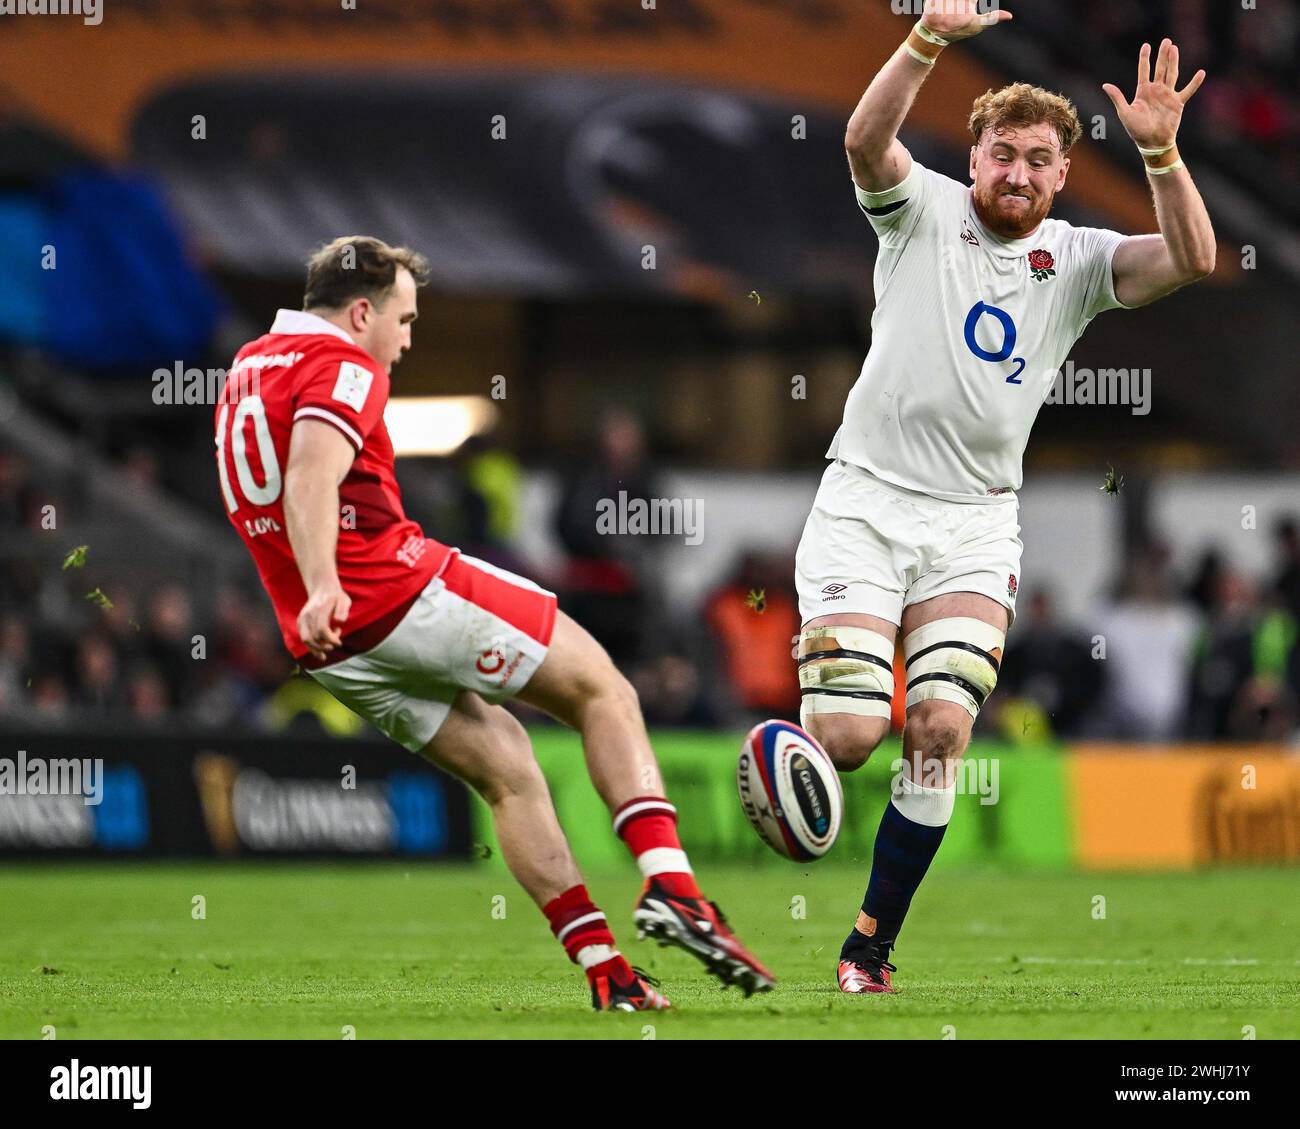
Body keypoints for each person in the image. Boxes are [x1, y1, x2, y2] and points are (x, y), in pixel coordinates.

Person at [213, 236, 772, 1012]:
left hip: (332, 648)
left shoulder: (245, 368)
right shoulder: (343, 361)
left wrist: (311, 600)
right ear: (362, 310)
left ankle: (608, 970)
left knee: (507, 770)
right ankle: (675, 889)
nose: (408, 339)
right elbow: (312, 474)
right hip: (387, 591)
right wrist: (323, 583)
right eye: (404, 320)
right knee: (603, 690)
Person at [792, 1, 1216, 994]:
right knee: (852, 739)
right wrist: (925, 41)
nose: (1017, 173)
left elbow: (1193, 258)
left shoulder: (1071, 261)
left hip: (975, 524)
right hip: (863, 506)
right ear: (972, 157)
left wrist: (1160, 157)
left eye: (1037, 159)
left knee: (939, 731)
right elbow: (862, 140)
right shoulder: (919, 210)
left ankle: (867, 948)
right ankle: (794, 736)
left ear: (1061, 175)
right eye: (1002, 153)